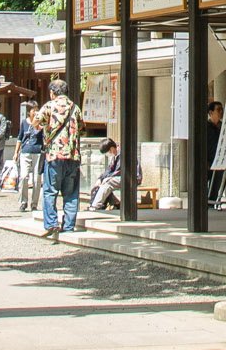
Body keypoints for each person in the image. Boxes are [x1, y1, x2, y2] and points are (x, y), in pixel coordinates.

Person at [36, 77, 83, 240]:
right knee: (71, 193)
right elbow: (82, 129)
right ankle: (68, 225)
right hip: (73, 155)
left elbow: (36, 123)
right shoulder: (75, 108)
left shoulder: (49, 106)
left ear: (52, 93)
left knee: (50, 191)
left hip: (54, 155)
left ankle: (51, 223)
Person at [89, 138, 140, 211]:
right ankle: (116, 202)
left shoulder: (123, 153)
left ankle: (96, 205)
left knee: (108, 182)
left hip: (131, 177)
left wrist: (106, 178)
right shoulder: (115, 156)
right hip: (121, 177)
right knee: (102, 183)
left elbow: (119, 170)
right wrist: (100, 178)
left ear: (112, 148)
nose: (107, 154)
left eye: (107, 152)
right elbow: (109, 170)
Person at [17, 106, 46, 213]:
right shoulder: (24, 123)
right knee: (24, 176)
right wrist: (16, 152)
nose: (35, 112)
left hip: (38, 152)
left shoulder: (42, 124)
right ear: (29, 112)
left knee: (37, 179)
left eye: (37, 110)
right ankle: (23, 202)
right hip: (25, 151)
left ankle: (34, 204)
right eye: (33, 110)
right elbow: (20, 138)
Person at [204, 100, 226, 208]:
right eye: (218, 110)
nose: (221, 112)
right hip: (208, 161)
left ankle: (212, 204)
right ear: (211, 113)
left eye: (222, 110)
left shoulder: (223, 127)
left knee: (216, 185)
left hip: (219, 161)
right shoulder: (206, 127)